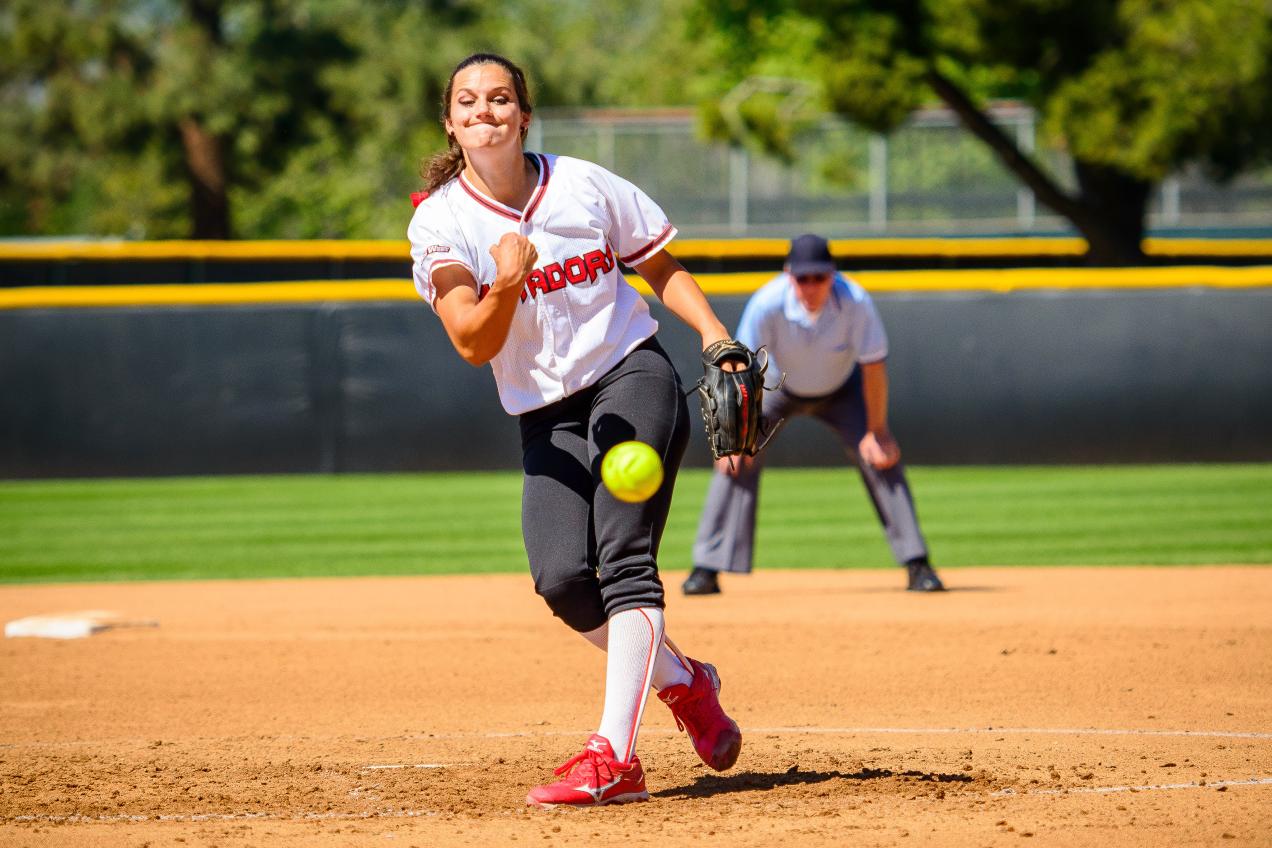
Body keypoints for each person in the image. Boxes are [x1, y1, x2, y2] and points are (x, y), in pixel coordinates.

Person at [407, 53, 742, 809]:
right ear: (451, 123)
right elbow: (471, 341)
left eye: (500, 99)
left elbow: (661, 268)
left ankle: (615, 757)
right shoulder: (440, 221)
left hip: (631, 375)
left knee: (624, 558)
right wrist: (506, 281)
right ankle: (686, 684)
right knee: (562, 580)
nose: (485, 110)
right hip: (544, 411)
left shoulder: (586, 184)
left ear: (524, 115)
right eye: (469, 101)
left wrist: (715, 336)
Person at [684, 234, 945, 596]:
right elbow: (741, 372)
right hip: (777, 389)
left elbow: (873, 368)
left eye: (818, 278)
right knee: (735, 457)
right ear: (789, 276)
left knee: (880, 456)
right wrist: (736, 433)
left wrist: (878, 429)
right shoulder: (768, 303)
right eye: (802, 278)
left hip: (842, 390)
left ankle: (918, 564)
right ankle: (706, 568)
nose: (810, 287)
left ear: (832, 275)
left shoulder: (855, 301)